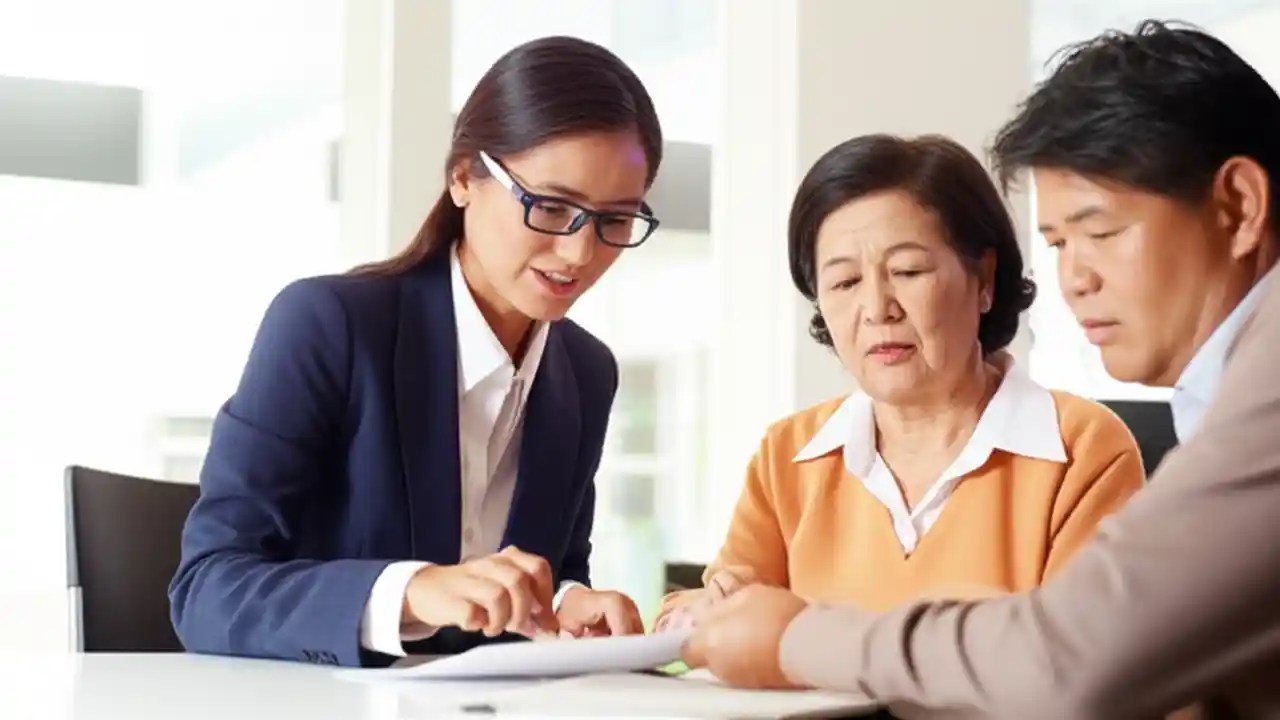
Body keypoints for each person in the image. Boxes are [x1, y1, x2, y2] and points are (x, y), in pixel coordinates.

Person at [680, 21, 1280, 719]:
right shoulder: (787, 452)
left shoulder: (1239, 397)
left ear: (1238, 206)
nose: (1076, 278)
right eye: (1058, 243)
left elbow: (1075, 659)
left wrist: (795, 638)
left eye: (1102, 233)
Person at [169, 36, 664, 667]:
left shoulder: (586, 373)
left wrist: (565, 602)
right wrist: (412, 592)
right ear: (464, 177)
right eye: (550, 206)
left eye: (615, 220)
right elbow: (208, 588)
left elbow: (556, 566)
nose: (579, 253)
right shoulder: (328, 325)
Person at [656, 134, 1143, 631]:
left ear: (985, 280)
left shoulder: (1081, 450)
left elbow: (1078, 666)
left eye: (908, 271)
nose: (876, 310)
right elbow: (717, 623)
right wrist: (702, 615)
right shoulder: (789, 455)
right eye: (845, 283)